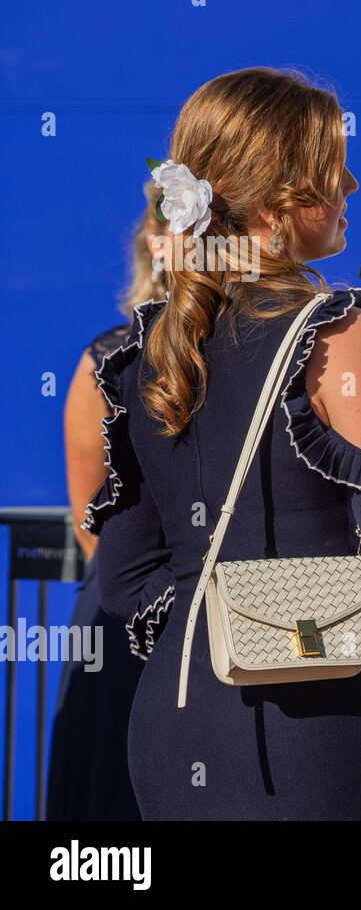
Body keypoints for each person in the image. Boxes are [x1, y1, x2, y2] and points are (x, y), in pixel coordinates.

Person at [85, 67, 361, 820]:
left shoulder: (137, 347)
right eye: (330, 167)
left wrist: (209, 626)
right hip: (315, 725)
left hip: (172, 716)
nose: (352, 181)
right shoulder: (337, 333)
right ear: (278, 204)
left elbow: (122, 577)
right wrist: (356, 646)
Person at [49, 185, 169, 820]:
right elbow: (90, 518)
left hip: (238, 620)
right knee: (114, 808)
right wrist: (152, 600)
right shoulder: (105, 359)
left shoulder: (266, 354)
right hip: (125, 623)